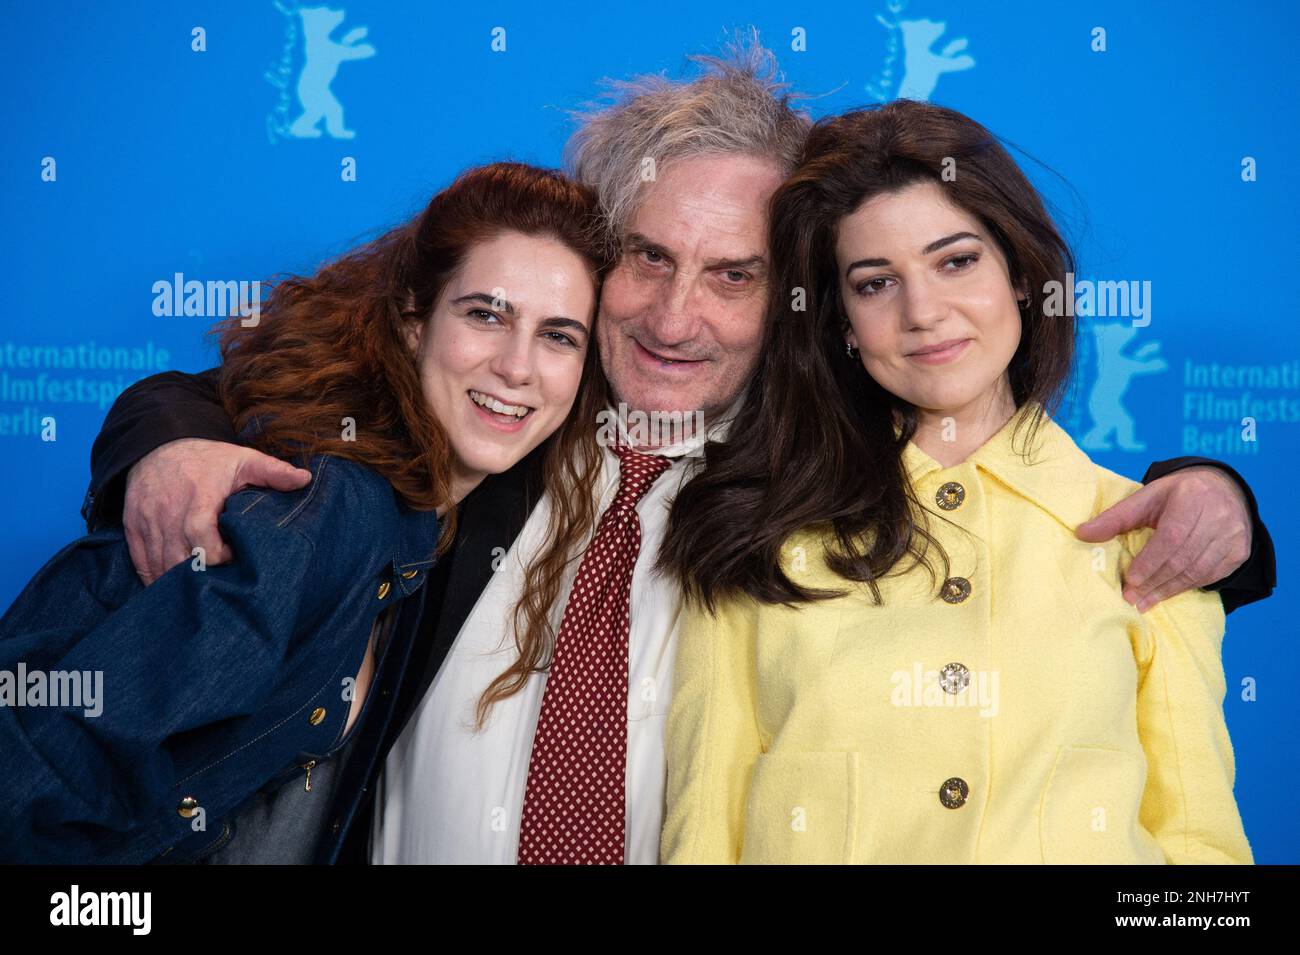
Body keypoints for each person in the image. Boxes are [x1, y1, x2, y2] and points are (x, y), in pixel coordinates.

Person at [79, 35, 1273, 865]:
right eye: (646, 258)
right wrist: (165, 441)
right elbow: (239, 388)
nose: (672, 316)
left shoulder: (822, 488)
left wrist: (1214, 493)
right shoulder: (480, 429)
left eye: (732, 276)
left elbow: (1009, 479)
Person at [658, 100, 1253, 864]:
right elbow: (702, 837)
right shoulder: (754, 533)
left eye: (957, 261)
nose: (925, 312)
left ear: (1018, 275)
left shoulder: (1156, 535)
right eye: (875, 284)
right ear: (840, 322)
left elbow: (1203, 856)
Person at [0, 162, 609, 863]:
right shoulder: (334, 506)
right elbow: (39, 780)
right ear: (414, 321)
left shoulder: (442, 515)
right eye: (486, 315)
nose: (517, 366)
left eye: (559, 336)